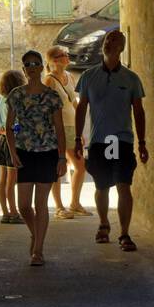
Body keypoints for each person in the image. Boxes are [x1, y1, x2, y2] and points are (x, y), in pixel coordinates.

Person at [74, 28, 147, 251]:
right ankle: (104, 224)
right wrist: (78, 138)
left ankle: (124, 234)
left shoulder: (131, 79)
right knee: (102, 185)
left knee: (123, 185)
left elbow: (139, 111)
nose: (109, 43)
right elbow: (81, 108)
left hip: (121, 140)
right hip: (99, 141)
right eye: (107, 39)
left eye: (114, 41)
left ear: (121, 48)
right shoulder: (88, 77)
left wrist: (142, 143)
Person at [5, 50, 66, 266]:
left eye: (35, 63)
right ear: (24, 69)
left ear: (41, 67)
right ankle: (35, 233)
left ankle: (38, 251)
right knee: (23, 205)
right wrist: (12, 153)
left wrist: (61, 158)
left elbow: (59, 128)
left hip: (47, 153)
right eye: (27, 64)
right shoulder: (16, 95)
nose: (31, 67)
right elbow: (10, 127)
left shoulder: (51, 97)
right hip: (24, 153)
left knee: (41, 204)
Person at [44, 45, 91, 218]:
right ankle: (59, 207)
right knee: (58, 167)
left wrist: (80, 132)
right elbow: (46, 108)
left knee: (80, 166)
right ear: (55, 60)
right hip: (57, 129)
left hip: (71, 127)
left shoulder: (70, 77)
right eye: (64, 54)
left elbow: (74, 103)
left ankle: (75, 203)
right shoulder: (49, 81)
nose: (67, 56)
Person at [0, 69, 25, 224]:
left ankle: (6, 212)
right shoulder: (14, 101)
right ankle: (14, 213)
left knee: (2, 179)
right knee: (11, 180)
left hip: (2, 141)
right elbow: (16, 124)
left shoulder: (1, 100)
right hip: (12, 140)